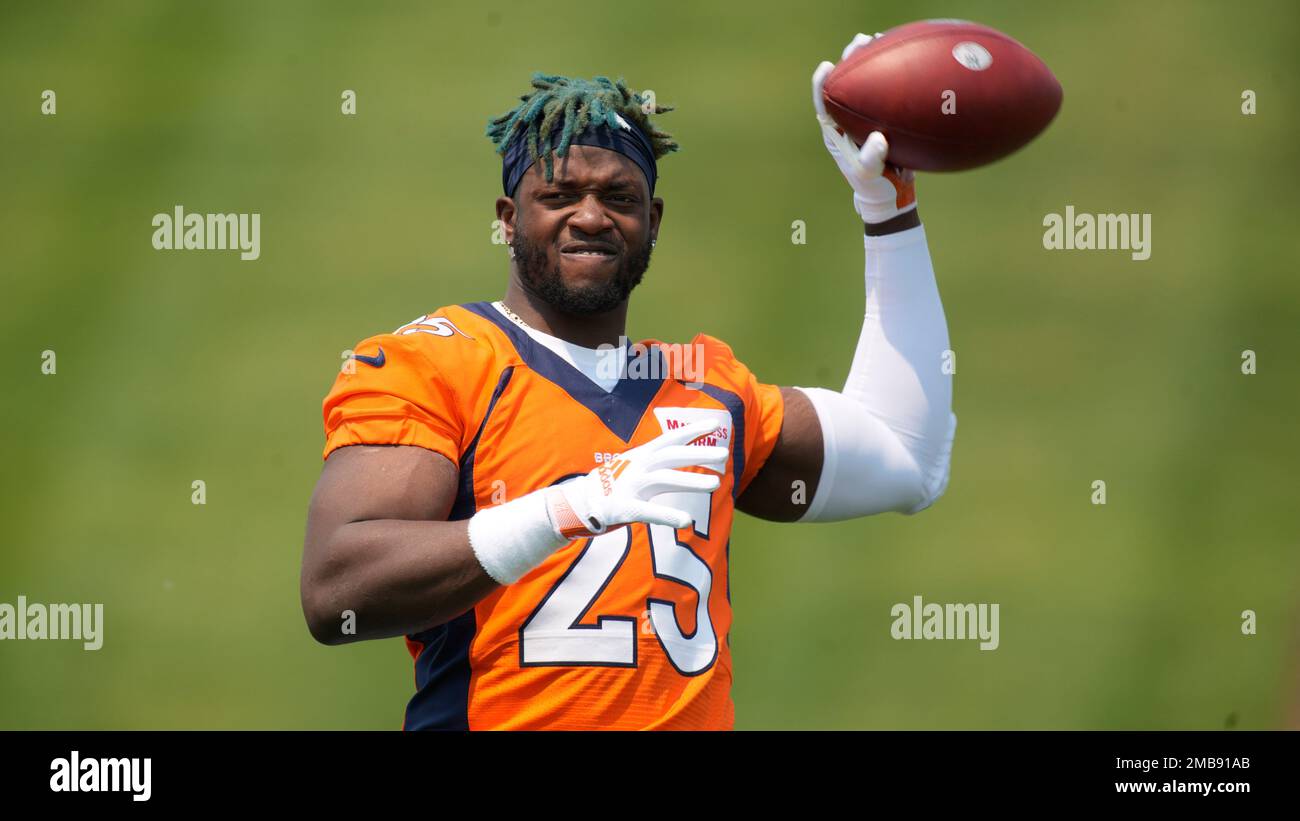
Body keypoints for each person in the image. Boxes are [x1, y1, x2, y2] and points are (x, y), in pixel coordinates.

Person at [300, 35, 956, 730]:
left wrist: (889, 211)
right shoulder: (439, 364)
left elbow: (909, 458)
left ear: (654, 222)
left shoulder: (706, 391)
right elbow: (338, 589)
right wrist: (573, 506)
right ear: (507, 219)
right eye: (557, 194)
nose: (589, 215)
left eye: (619, 196)